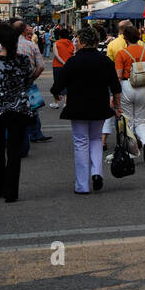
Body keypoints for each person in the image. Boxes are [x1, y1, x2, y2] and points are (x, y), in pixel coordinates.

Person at [52, 26, 120, 194]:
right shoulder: (105, 61)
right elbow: (116, 87)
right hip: (99, 106)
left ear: (81, 42)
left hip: (78, 107)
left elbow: (58, 85)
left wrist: (57, 94)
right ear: (96, 42)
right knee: (96, 139)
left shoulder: (73, 62)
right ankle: (97, 172)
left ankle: (82, 185)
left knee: (81, 142)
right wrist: (118, 107)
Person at [0, 22, 33, 203]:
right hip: (18, 106)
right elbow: (28, 80)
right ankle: (11, 192)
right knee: (14, 151)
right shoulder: (23, 60)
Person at [112, 26, 145, 163]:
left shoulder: (121, 53)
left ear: (125, 38)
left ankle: (132, 152)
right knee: (142, 119)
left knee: (129, 120)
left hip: (127, 86)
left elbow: (118, 77)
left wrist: (114, 96)